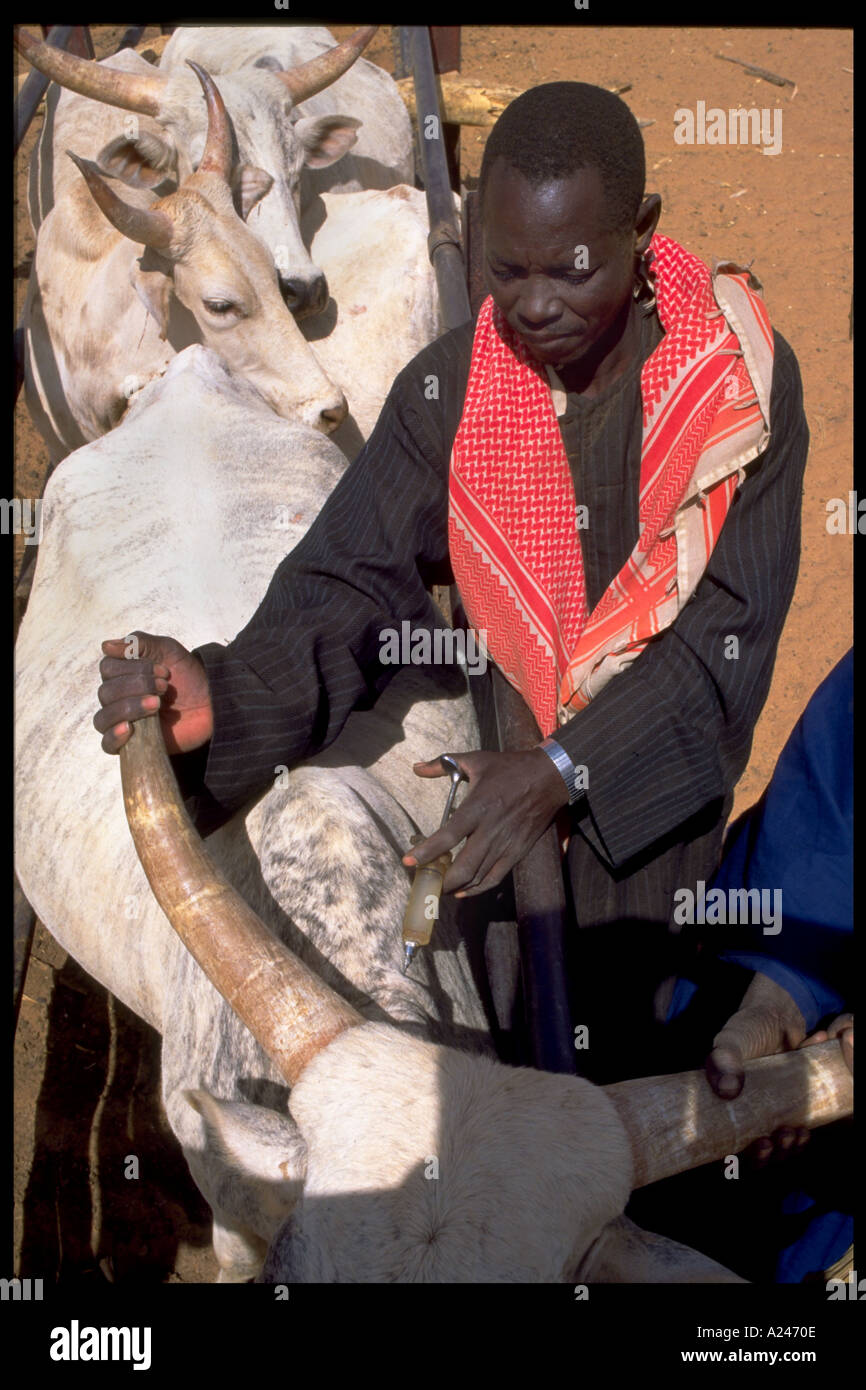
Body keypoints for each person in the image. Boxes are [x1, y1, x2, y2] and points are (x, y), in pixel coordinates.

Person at [94, 82, 810, 1083]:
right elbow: (345, 579)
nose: (530, 304)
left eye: (568, 269)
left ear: (639, 231)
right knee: (512, 1079)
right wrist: (224, 693)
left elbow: (722, 651)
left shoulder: (733, 390)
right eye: (502, 268)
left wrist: (562, 772)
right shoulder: (450, 395)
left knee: (644, 1072)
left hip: (654, 812)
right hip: (495, 809)